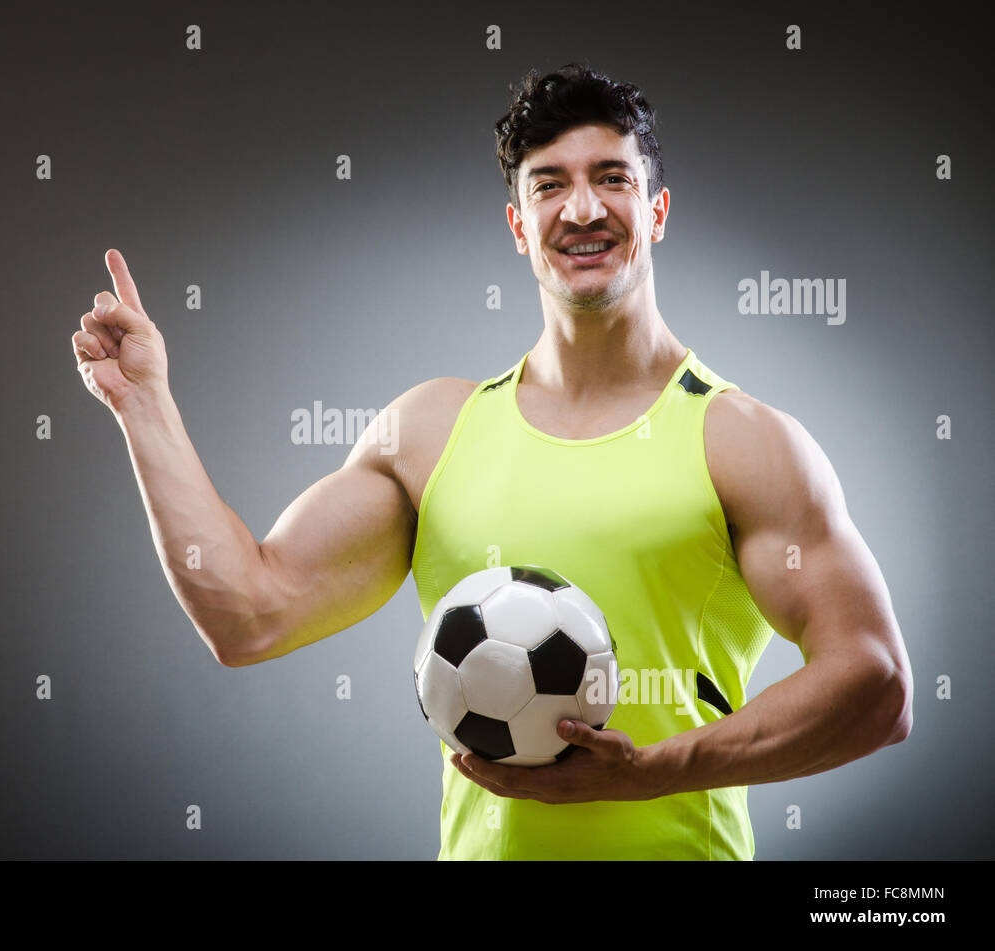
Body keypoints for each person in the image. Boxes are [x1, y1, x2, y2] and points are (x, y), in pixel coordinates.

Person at [70, 63, 912, 860]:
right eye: (549, 184)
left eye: (613, 177)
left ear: (656, 211)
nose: (582, 209)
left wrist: (655, 771)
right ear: (518, 225)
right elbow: (249, 614)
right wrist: (145, 405)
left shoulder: (743, 438)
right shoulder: (430, 431)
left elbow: (875, 683)